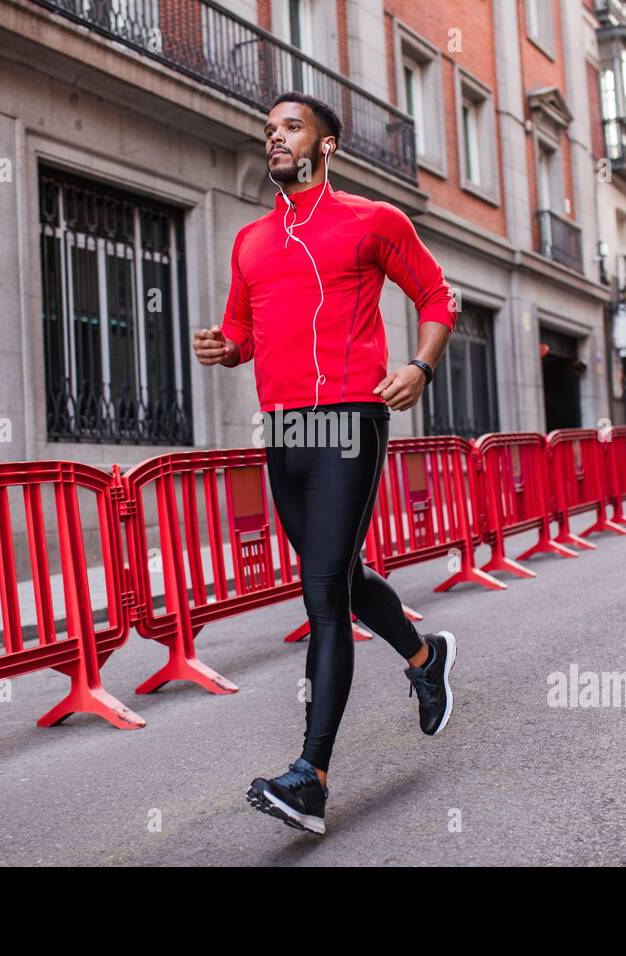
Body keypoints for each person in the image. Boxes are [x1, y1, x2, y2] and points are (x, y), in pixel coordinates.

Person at [192, 91, 458, 835]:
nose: (275, 138)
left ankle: (310, 777)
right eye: (269, 129)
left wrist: (421, 366)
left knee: (322, 597)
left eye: (291, 128)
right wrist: (226, 347)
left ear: (327, 144)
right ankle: (423, 654)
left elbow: (439, 297)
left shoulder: (373, 221)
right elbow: (243, 330)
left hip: (350, 420)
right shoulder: (250, 241)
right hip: (283, 431)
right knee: (336, 575)